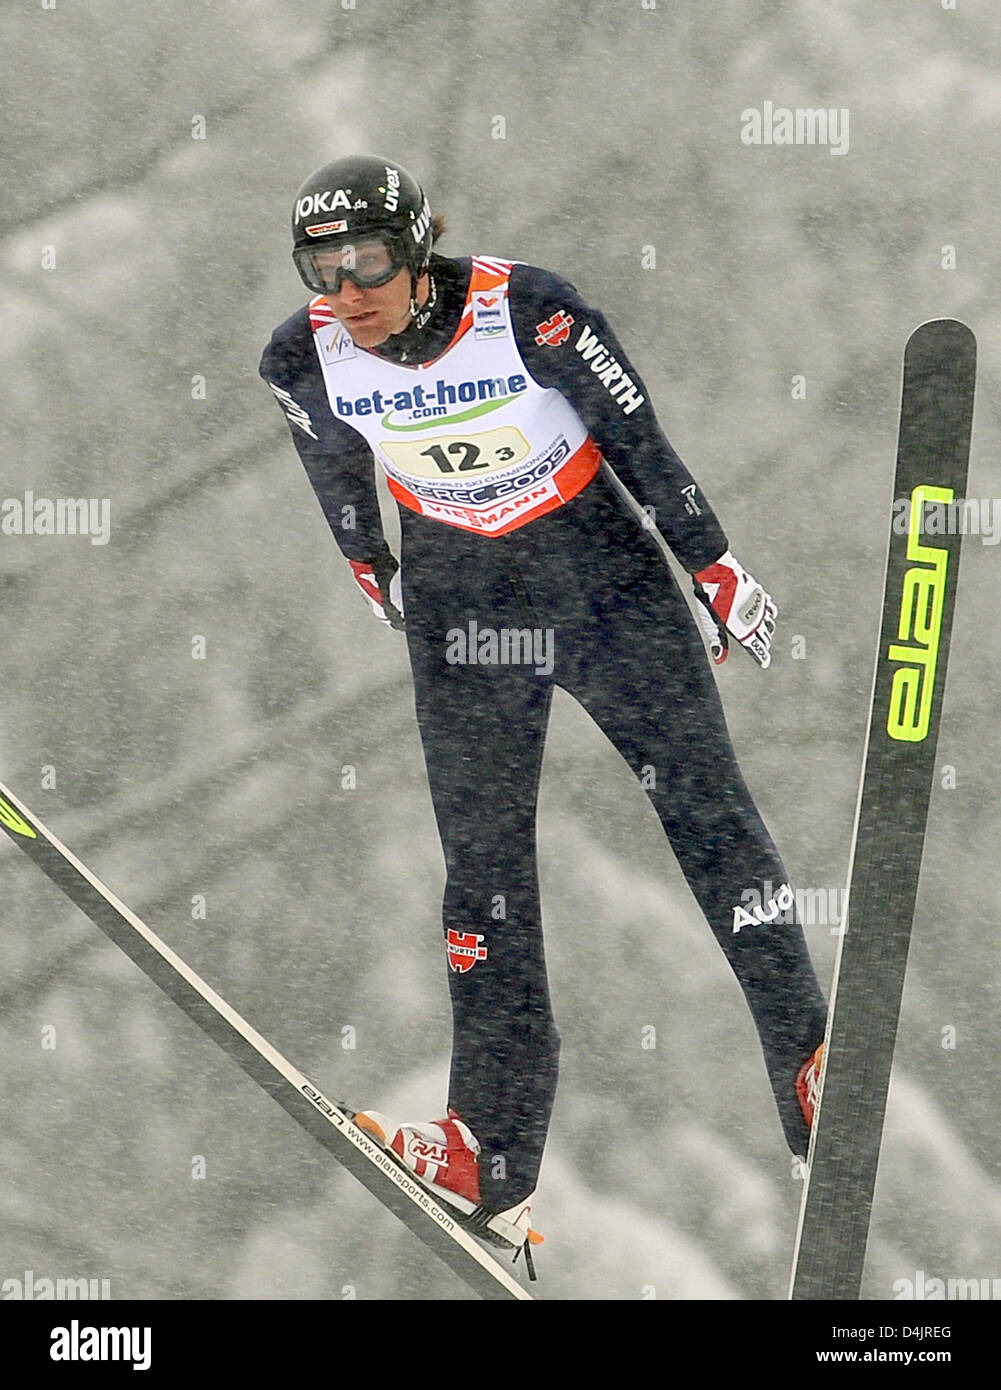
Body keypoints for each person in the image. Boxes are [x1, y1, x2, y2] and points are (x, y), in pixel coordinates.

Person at [260, 154, 827, 1265]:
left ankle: (808, 1063)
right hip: (463, 605)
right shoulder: (301, 354)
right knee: (479, 871)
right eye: (322, 267)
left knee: (705, 815)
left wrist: (708, 562)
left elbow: (638, 439)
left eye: (369, 260)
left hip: (597, 577)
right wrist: (368, 563)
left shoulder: (529, 310)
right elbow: (331, 468)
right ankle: (491, 1149)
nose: (349, 288)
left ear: (418, 254)